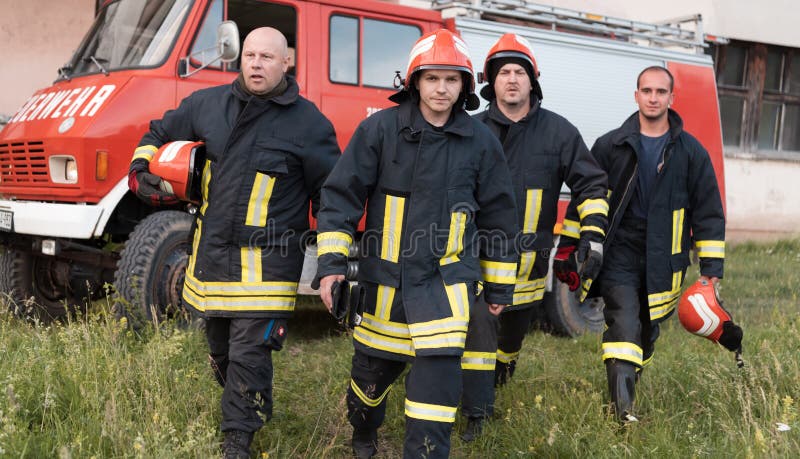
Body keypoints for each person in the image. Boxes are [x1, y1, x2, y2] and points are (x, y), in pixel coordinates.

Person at [127, 27, 340, 457]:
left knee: (249, 352)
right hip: (211, 260)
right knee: (221, 353)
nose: (257, 64)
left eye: (267, 57)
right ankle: (252, 401)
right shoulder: (206, 105)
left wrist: (332, 261)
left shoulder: (311, 124)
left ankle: (238, 440)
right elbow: (156, 133)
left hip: (269, 268)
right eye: (250, 55)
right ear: (239, 59)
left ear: (286, 64)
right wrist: (140, 170)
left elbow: (332, 197)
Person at [315, 29, 519, 459]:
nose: (441, 89)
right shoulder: (379, 129)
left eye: (451, 79)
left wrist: (499, 287)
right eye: (432, 79)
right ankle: (364, 431)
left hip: (447, 289)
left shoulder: (481, 142)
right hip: (385, 287)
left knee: (435, 402)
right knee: (367, 390)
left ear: (465, 85)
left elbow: (500, 216)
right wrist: (332, 264)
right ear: (414, 82)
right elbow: (341, 197)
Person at [459, 33, 608, 440]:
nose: (511, 79)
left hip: (528, 268)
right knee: (478, 336)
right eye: (504, 72)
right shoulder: (469, 130)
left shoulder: (558, 133)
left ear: (532, 81)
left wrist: (589, 237)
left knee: (509, 342)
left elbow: (592, 185)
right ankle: (476, 415)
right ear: (491, 80)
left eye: (519, 72)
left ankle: (499, 377)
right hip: (477, 262)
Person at [560, 66, 725, 422]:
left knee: (647, 331)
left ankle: (627, 382)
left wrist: (711, 272)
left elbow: (709, 213)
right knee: (624, 322)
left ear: (671, 97)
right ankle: (623, 412)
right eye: (646, 91)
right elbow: (583, 199)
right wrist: (570, 249)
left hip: (664, 254)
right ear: (635, 95)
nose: (653, 98)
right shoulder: (610, 145)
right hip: (620, 246)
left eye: (660, 92)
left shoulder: (691, 152)